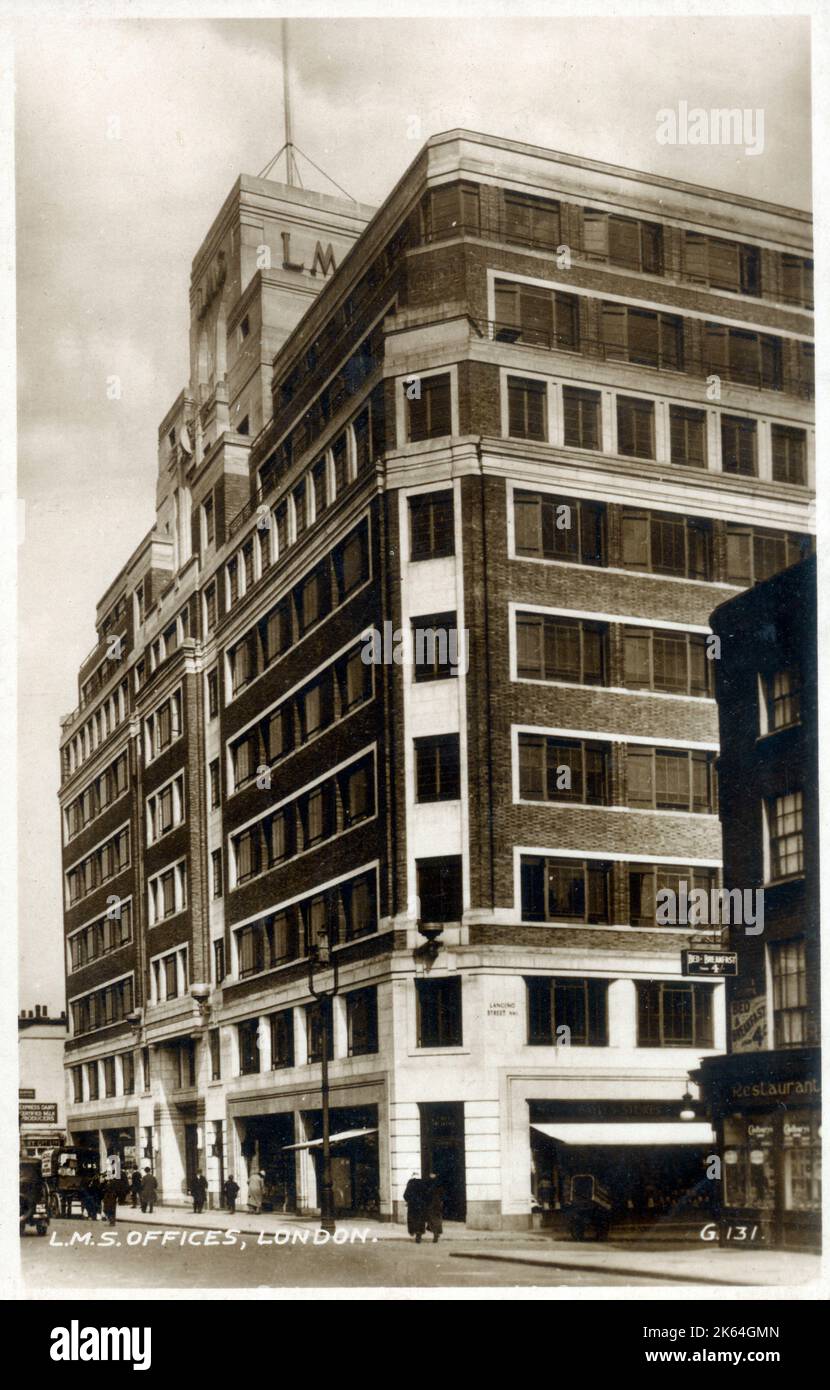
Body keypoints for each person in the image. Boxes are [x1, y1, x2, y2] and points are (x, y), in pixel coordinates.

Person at [403, 1172, 428, 1243]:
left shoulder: (410, 1183)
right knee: (421, 1220)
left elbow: (405, 1195)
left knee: (413, 1219)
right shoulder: (423, 1183)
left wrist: (409, 1200)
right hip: (421, 1205)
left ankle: (413, 1231)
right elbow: (426, 1194)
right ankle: (419, 1234)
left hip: (412, 1205)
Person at [424, 1172, 444, 1244]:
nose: (430, 1175)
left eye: (432, 1174)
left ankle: (435, 1234)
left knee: (432, 1219)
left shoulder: (431, 1183)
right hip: (438, 1204)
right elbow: (442, 1194)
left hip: (432, 1204)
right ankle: (437, 1232)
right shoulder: (439, 1183)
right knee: (438, 1219)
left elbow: (427, 1193)